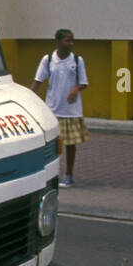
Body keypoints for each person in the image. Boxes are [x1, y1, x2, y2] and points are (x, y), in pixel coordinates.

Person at [34, 28, 89, 186]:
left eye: (72, 40)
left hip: (70, 110)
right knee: (51, 145)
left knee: (70, 144)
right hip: (52, 109)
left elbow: (83, 83)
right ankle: (51, 174)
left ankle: (69, 174)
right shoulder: (48, 59)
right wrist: (29, 96)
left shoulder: (77, 60)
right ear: (58, 42)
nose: (71, 44)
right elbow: (38, 81)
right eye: (67, 40)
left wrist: (75, 89)